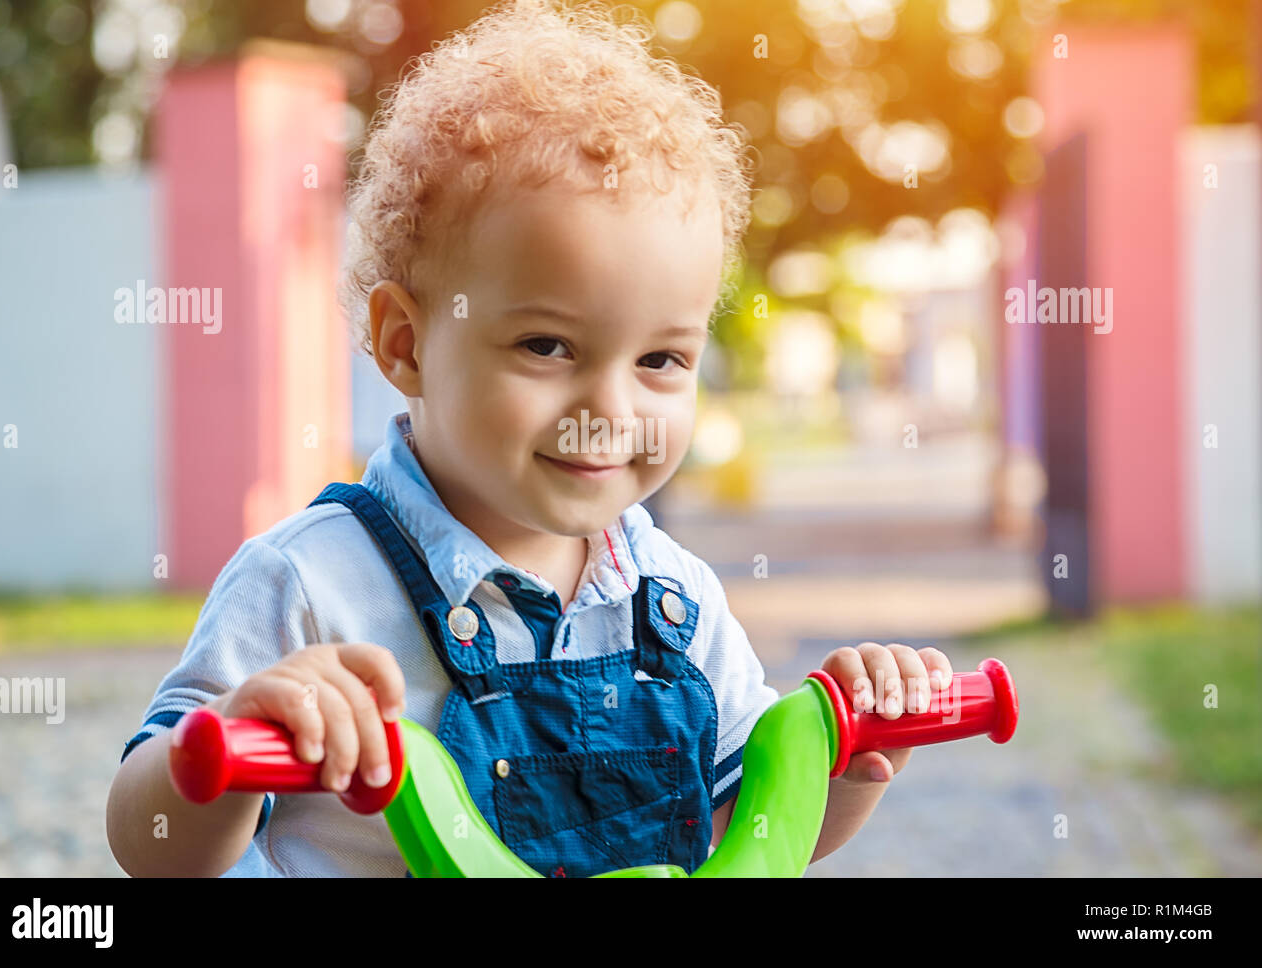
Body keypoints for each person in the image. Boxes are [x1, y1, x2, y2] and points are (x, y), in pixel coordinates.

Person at [106, 0, 953, 878]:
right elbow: (149, 844)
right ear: (405, 343)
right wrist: (230, 742)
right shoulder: (309, 584)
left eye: (661, 358)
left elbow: (745, 835)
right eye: (547, 346)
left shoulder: (675, 598)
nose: (609, 407)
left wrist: (842, 768)